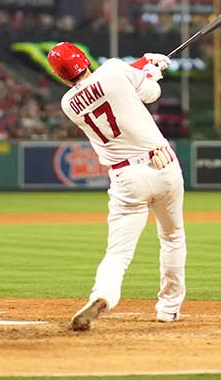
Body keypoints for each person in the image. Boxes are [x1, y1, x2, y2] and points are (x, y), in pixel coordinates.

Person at [47, 42, 185, 331]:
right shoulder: (112, 69)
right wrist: (152, 72)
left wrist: (144, 61)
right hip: (162, 164)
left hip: (126, 179)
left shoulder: (68, 103)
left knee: (118, 253)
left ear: (61, 75)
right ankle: (168, 309)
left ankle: (102, 295)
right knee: (172, 237)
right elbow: (151, 93)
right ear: (84, 58)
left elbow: (111, 81)